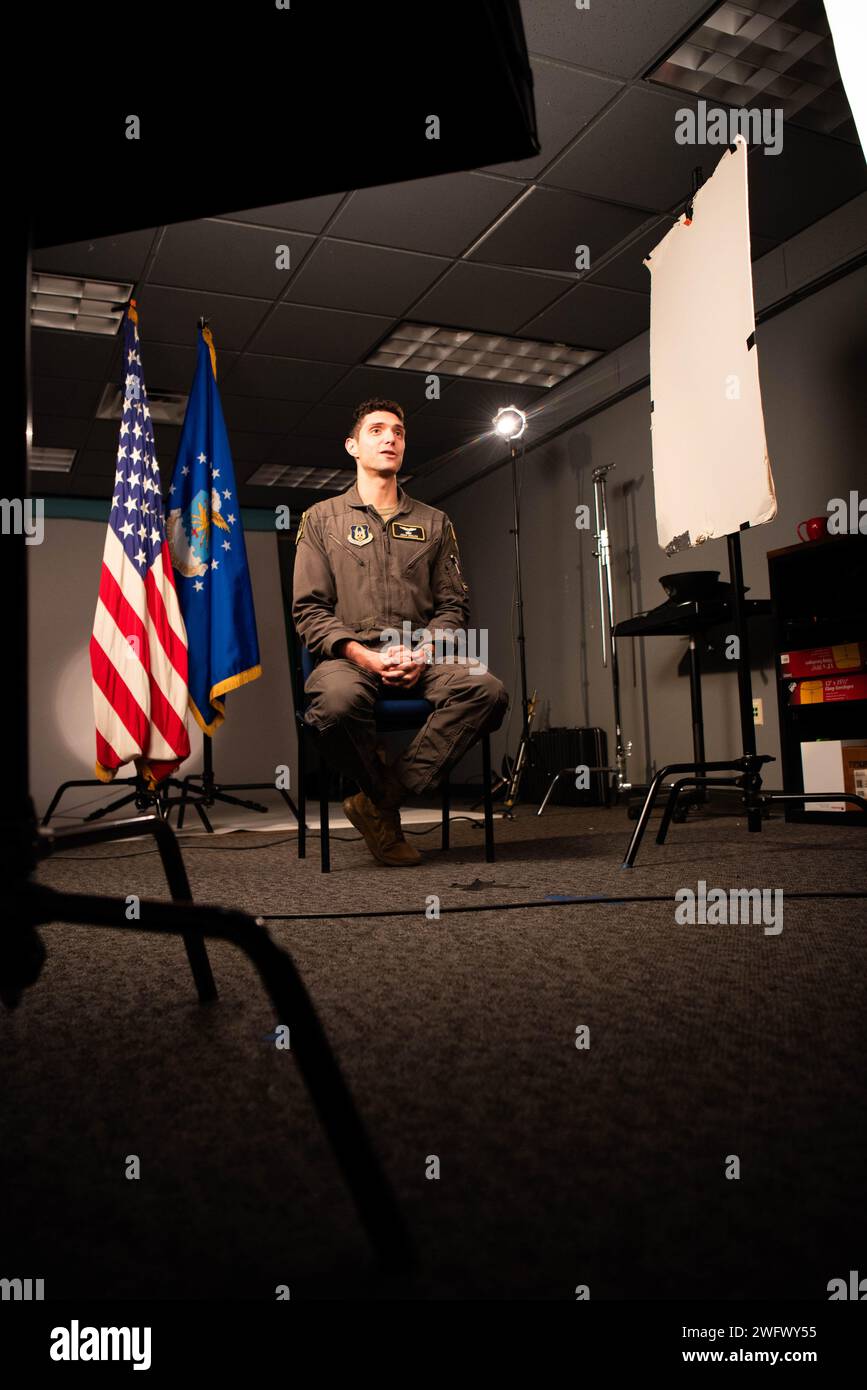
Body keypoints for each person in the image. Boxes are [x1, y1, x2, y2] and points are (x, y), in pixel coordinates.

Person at [292, 398, 508, 866]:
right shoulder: (321, 520)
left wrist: (424, 653)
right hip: (351, 656)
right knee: (335, 703)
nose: (389, 438)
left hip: (421, 653)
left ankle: (380, 800)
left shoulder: (434, 522)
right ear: (352, 445)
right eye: (376, 430)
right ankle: (384, 802)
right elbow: (309, 611)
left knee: (486, 690)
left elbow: (454, 606)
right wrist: (365, 657)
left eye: (397, 432)